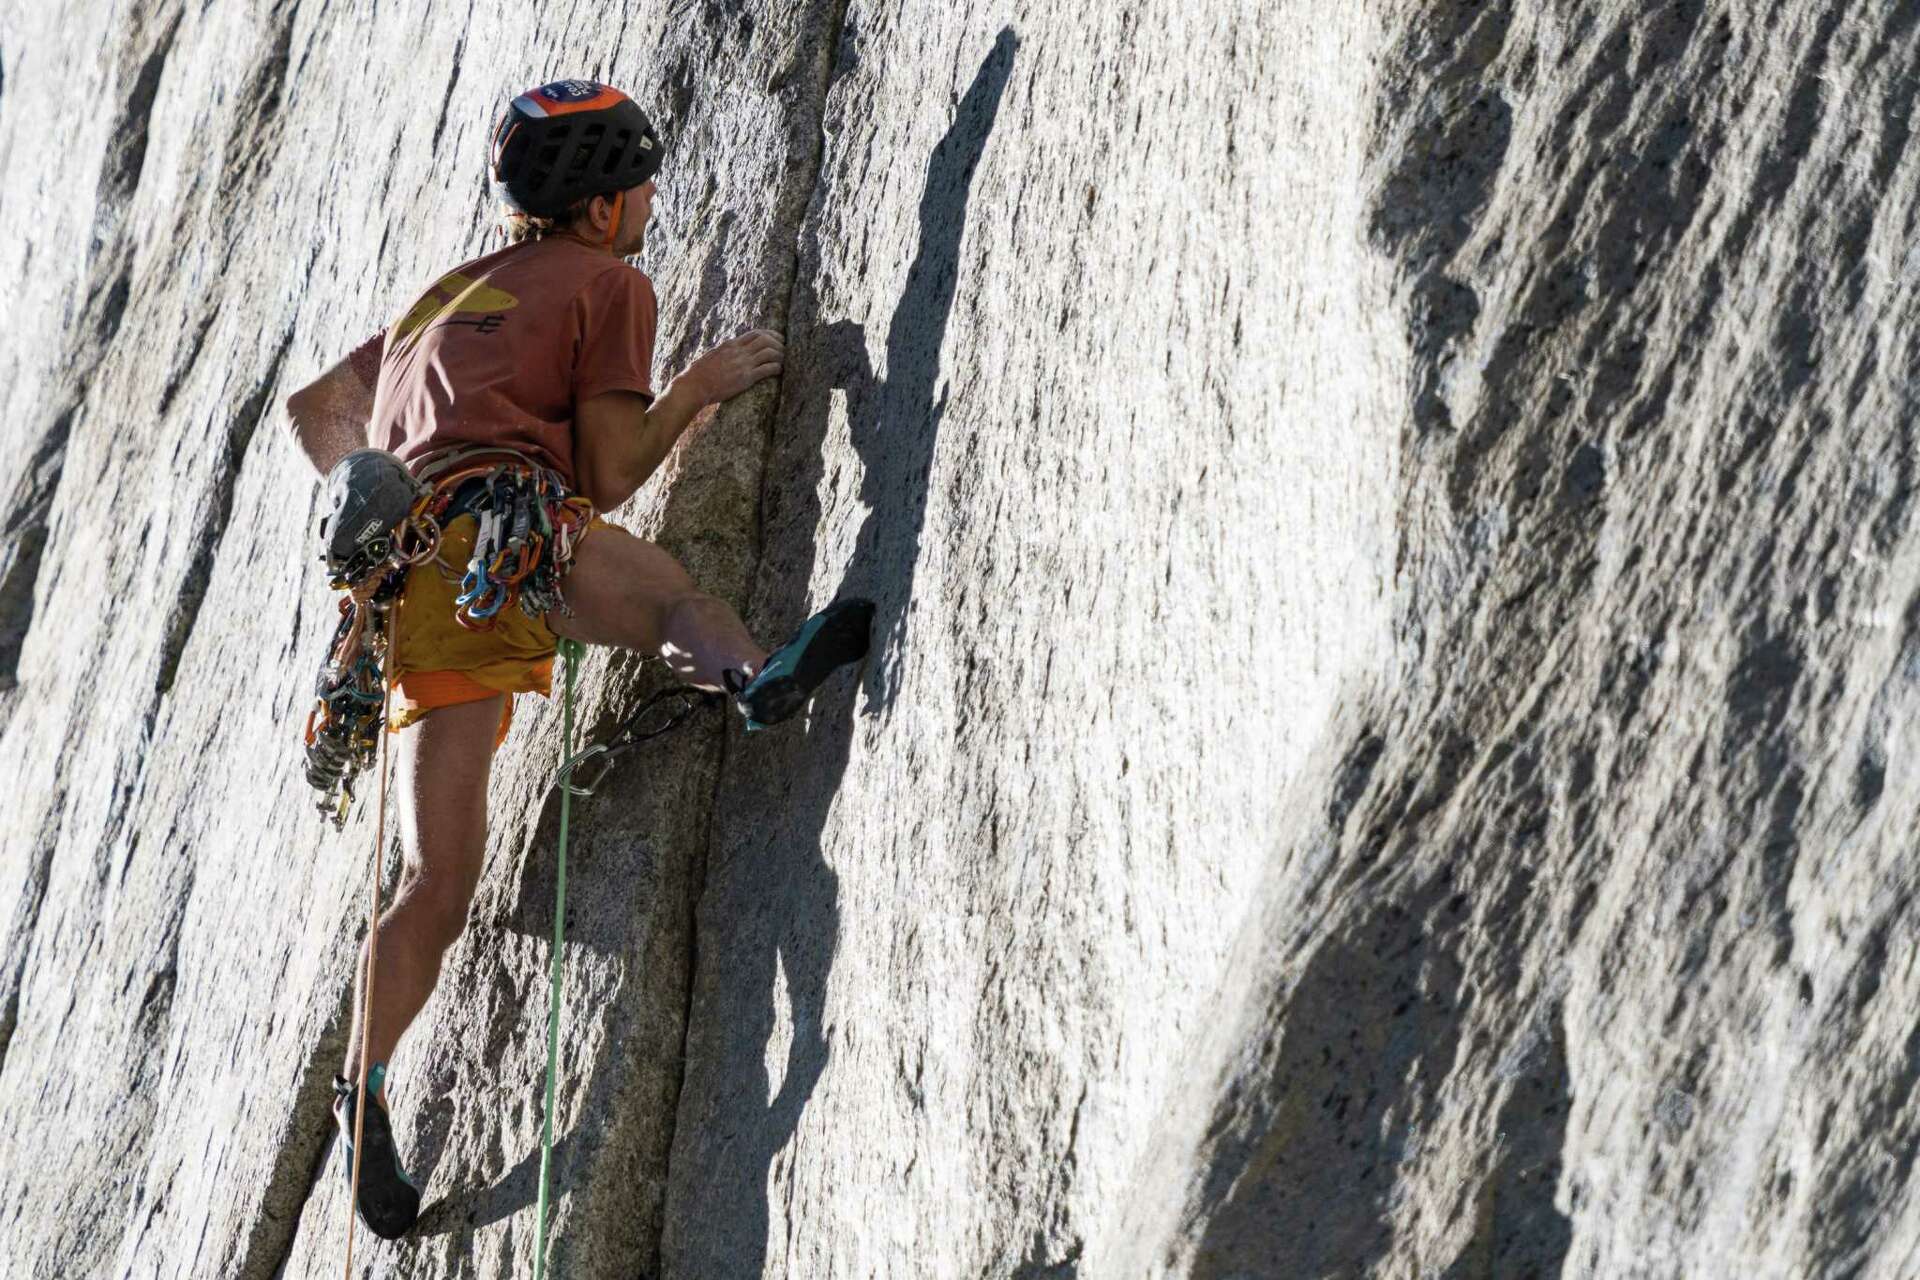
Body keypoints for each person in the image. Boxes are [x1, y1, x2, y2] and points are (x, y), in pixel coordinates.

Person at [283, 79, 871, 1239]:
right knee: (665, 604)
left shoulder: (438, 298)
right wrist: (701, 385)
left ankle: (363, 1083)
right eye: (641, 182)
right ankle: (750, 675)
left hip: (414, 582)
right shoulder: (612, 283)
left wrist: (374, 478)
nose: (652, 199)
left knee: (435, 879)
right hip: (524, 536)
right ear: (602, 208)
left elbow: (318, 411)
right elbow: (606, 470)